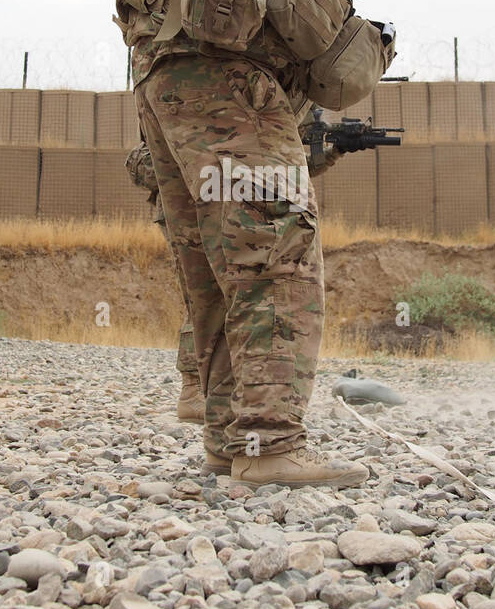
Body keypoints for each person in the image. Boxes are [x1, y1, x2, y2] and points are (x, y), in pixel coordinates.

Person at [111, 0, 477, 486]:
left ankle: (234, 443)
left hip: (164, 75)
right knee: (277, 249)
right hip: (230, 81)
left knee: (221, 265)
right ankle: (271, 445)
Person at [126, 111, 343, 427]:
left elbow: (287, 168)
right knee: (210, 296)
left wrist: (333, 152)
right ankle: (196, 392)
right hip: (196, 203)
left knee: (229, 297)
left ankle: (228, 398)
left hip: (237, 203)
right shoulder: (228, 107)